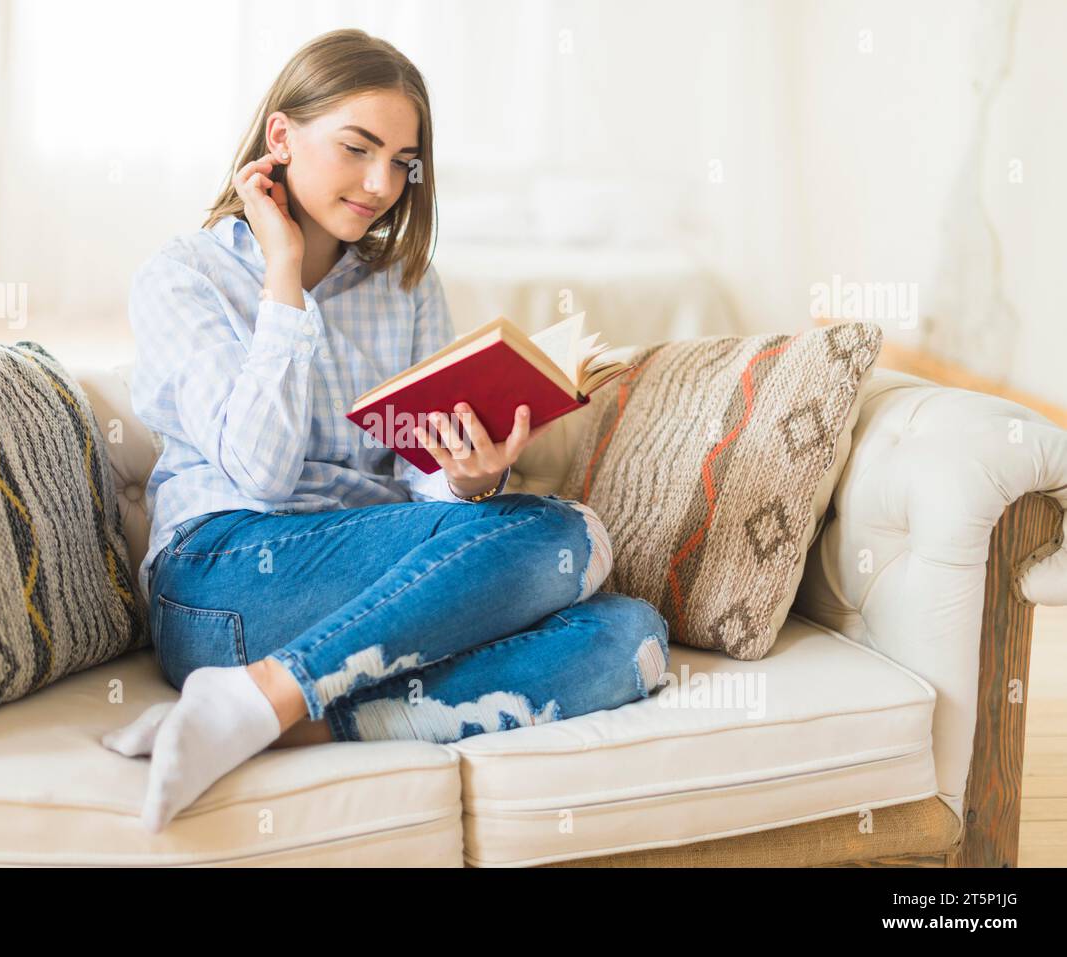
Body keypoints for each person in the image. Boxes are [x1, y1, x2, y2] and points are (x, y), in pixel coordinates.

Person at [100, 28, 669, 834]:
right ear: (281, 136)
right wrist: (282, 275)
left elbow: (414, 480)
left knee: (631, 636)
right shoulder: (181, 275)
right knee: (569, 534)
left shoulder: (404, 286)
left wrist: (467, 480)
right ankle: (261, 690)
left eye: (402, 161)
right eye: (357, 148)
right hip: (224, 581)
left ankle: (278, 715)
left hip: (375, 584)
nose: (380, 183)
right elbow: (259, 471)